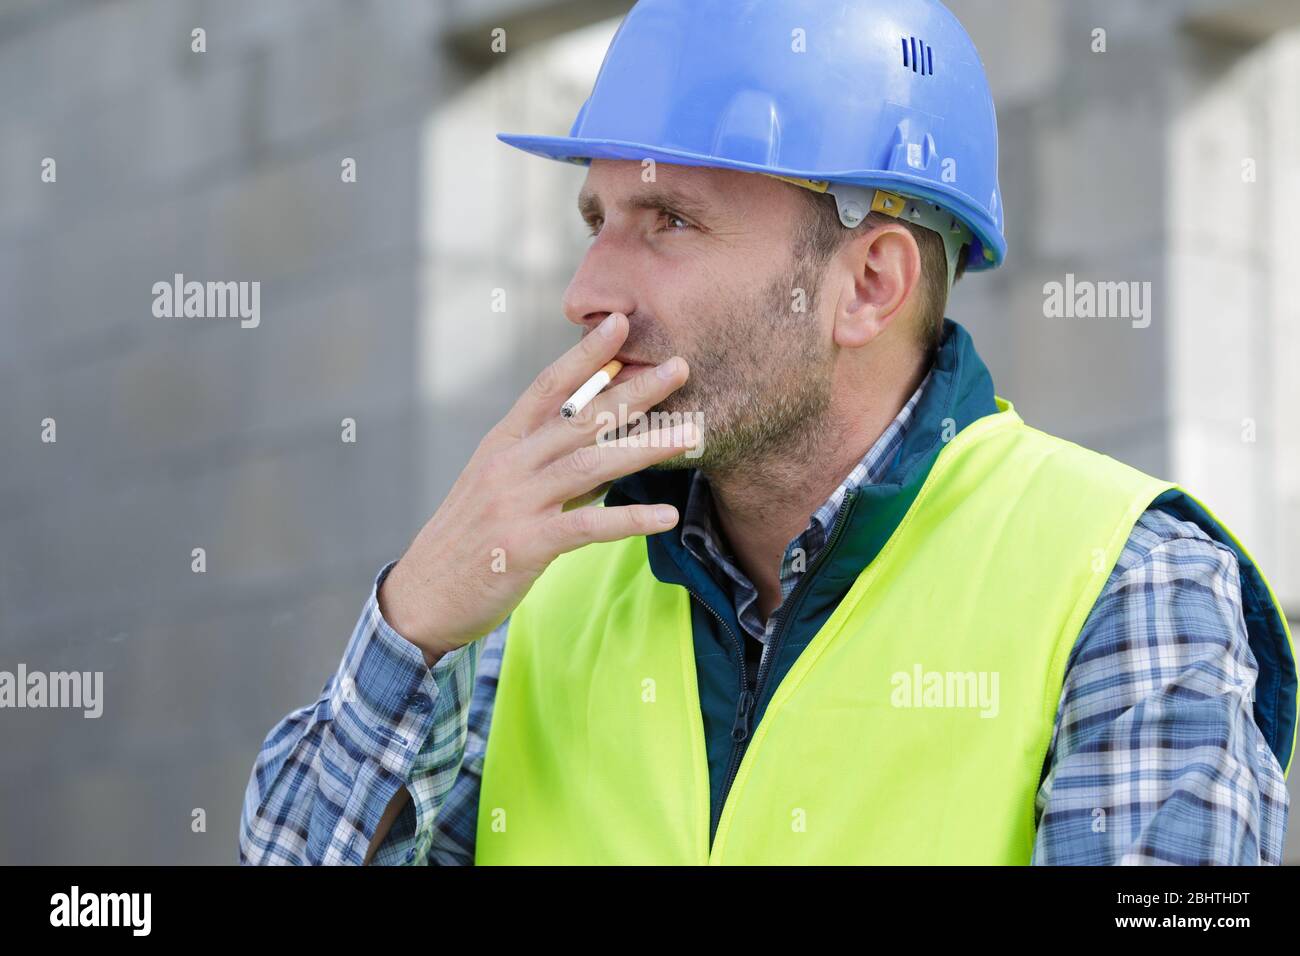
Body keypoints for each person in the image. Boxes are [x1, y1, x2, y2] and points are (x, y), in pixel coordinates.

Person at [240, 0, 1295, 865]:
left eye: (669, 222)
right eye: (595, 222)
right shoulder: (536, 602)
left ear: (869, 284)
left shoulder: (1127, 583)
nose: (583, 292)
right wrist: (412, 621)